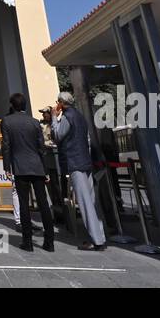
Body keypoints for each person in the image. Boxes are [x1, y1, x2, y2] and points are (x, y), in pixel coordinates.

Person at [52, 90, 107, 251]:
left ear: (61, 103)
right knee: (92, 200)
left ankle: (96, 240)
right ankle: (100, 236)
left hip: (75, 162)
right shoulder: (80, 116)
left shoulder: (68, 117)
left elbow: (57, 135)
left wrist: (55, 118)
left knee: (84, 202)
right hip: (85, 160)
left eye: (58, 102)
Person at [0, 93, 55, 252]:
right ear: (25, 106)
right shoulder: (35, 122)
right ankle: (49, 242)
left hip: (20, 167)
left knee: (23, 204)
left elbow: (6, 145)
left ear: (12, 105)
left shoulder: (7, 121)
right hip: (37, 166)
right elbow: (41, 148)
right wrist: (45, 170)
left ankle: (28, 241)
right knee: (43, 204)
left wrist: (7, 166)